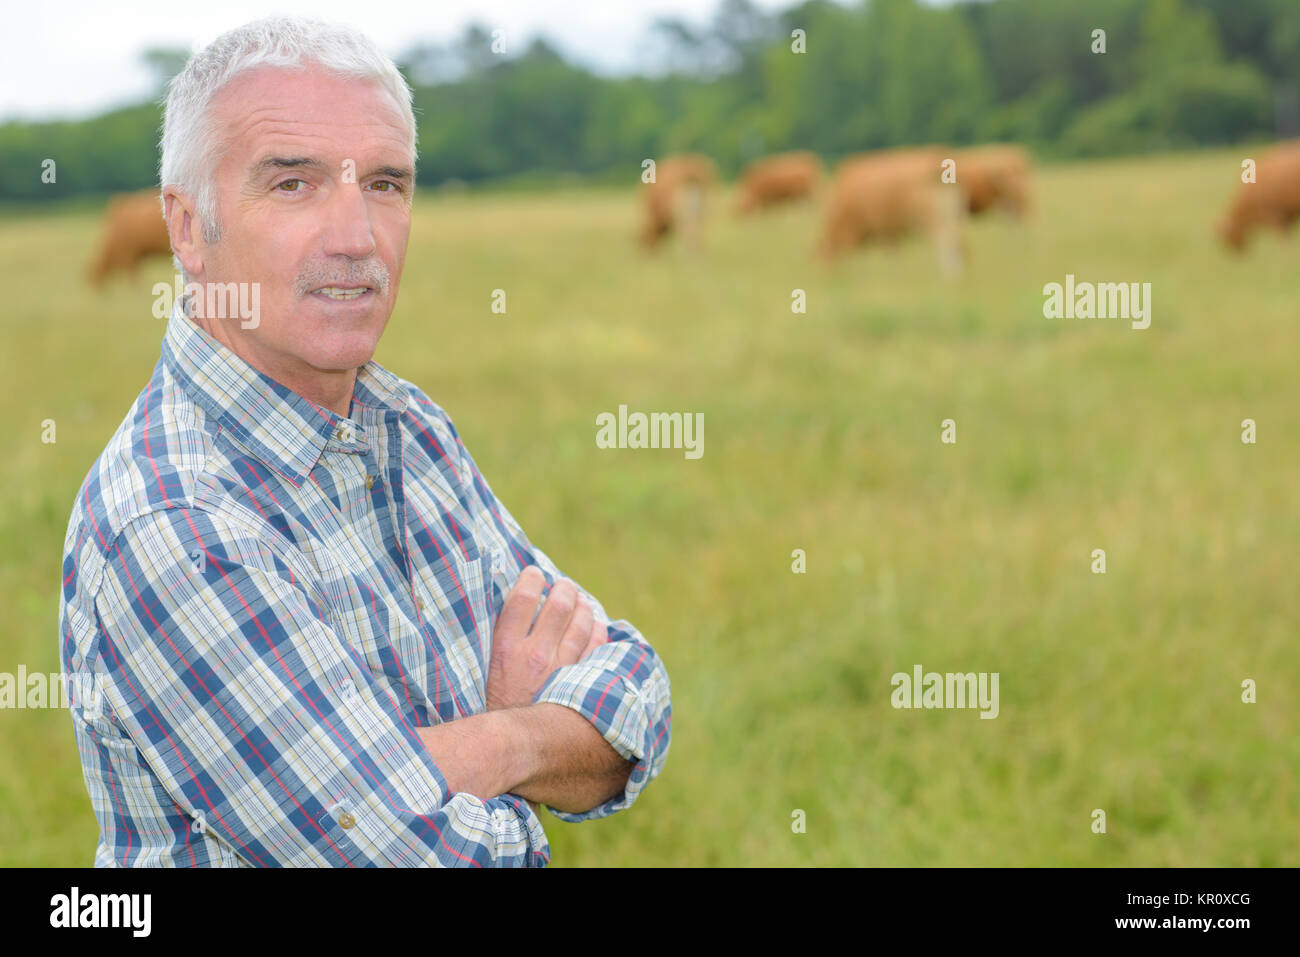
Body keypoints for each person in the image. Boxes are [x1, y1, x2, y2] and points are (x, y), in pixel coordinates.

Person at [56, 16, 671, 867]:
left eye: (385, 183)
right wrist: (535, 735)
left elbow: (637, 695)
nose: (356, 237)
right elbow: (435, 859)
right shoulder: (175, 527)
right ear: (189, 227)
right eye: (294, 184)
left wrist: (494, 743)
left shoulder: (405, 425)